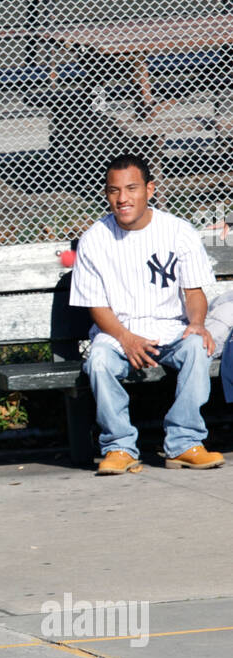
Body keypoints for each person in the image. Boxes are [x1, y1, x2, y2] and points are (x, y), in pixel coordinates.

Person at [70, 154, 223, 475]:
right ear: (106, 194)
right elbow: (96, 306)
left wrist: (197, 324)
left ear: (150, 189)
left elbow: (194, 292)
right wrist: (126, 339)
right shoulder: (94, 239)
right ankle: (119, 447)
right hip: (116, 335)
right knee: (98, 361)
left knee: (197, 347)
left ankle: (184, 442)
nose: (122, 199)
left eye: (132, 188)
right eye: (114, 191)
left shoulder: (178, 231)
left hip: (171, 331)